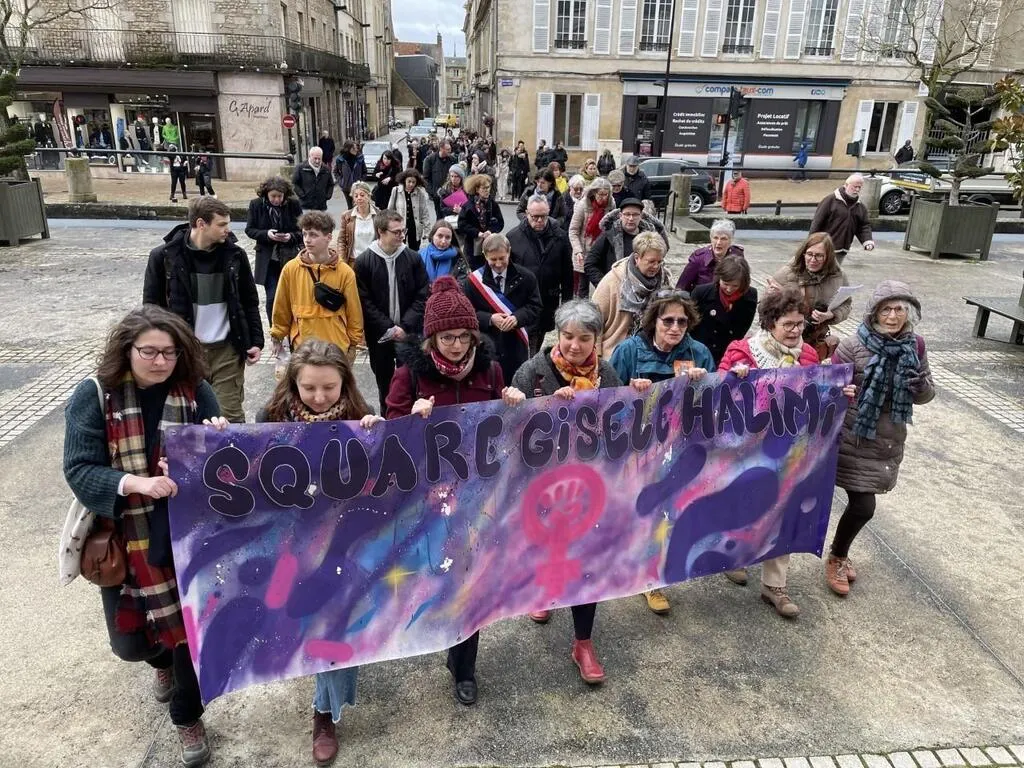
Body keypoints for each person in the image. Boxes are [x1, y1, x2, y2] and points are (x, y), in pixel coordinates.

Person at [63, 306, 220, 767]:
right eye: (148, 351)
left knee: (192, 634)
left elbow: (223, 460)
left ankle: (187, 714)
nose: (160, 360)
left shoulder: (197, 392)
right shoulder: (94, 395)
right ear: (126, 350)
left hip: (188, 531)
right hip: (126, 532)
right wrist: (137, 483)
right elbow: (79, 469)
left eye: (169, 352)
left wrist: (206, 452)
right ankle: (160, 662)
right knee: (130, 645)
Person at [385, 277, 525, 706]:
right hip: (428, 498)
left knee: (472, 581)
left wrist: (512, 399)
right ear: (431, 338)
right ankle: (442, 636)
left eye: (465, 336)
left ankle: (465, 666)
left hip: (477, 494)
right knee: (436, 580)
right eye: (448, 337)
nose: (457, 346)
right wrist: (409, 415)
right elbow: (389, 436)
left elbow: (505, 428)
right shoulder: (409, 374)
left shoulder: (490, 368)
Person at [253, 340, 381, 766]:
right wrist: (217, 436)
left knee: (334, 626)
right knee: (297, 623)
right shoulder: (268, 420)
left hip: (344, 544)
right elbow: (248, 482)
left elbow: (389, 480)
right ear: (293, 383)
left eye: (329, 388)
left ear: (346, 383)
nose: (320, 397)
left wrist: (383, 435)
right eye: (309, 388)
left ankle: (323, 713)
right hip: (288, 544)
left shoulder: (359, 421)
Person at [717, 287, 856, 616]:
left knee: (783, 511)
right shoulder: (744, 350)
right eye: (788, 324)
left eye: (799, 324)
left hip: (789, 452)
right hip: (745, 449)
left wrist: (840, 395)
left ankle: (774, 585)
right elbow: (717, 396)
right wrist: (731, 378)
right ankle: (734, 555)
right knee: (743, 505)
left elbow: (816, 402)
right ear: (769, 323)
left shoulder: (808, 356)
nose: (796, 330)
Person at [511, 299, 621, 683]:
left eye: (585, 338)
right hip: (543, 485)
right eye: (568, 336)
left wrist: (638, 396)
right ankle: (544, 593)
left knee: (586, 562)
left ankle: (583, 642)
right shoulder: (532, 372)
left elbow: (620, 426)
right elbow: (511, 429)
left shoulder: (607, 373)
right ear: (558, 335)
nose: (575, 345)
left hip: (590, 486)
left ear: (597, 340)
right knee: (546, 545)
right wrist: (531, 406)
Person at [827, 281, 933, 596]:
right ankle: (837, 557)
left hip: (887, 438)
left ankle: (838, 554)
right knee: (864, 506)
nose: (892, 315)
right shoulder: (851, 345)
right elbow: (827, 388)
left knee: (862, 505)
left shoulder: (916, 346)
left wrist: (919, 387)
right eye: (886, 308)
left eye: (899, 308)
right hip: (852, 434)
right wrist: (842, 392)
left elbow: (927, 393)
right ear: (874, 312)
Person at [143, 196, 263, 423]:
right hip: (184, 351)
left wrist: (255, 340)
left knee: (229, 416)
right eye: (221, 224)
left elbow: (249, 301)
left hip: (227, 349)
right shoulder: (163, 257)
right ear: (201, 224)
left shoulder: (235, 255)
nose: (228, 230)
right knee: (184, 415)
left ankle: (234, 458)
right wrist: (156, 349)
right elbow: (150, 309)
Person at [354, 210, 430, 413]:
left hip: (408, 332)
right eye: (395, 232)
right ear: (380, 231)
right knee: (385, 383)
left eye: (402, 231)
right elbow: (364, 301)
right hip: (380, 335)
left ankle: (411, 420)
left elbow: (423, 293)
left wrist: (404, 326)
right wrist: (388, 327)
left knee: (412, 380)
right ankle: (387, 420)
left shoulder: (412, 258)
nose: (401, 235)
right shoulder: (364, 262)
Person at [269, 210, 363, 361]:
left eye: (313, 235)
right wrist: (277, 336)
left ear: (328, 237)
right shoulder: (291, 269)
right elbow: (281, 306)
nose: (307, 239)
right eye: (305, 234)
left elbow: (354, 311)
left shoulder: (345, 272)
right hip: (303, 348)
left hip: (336, 347)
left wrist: (352, 344)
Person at [463, 232, 542, 382]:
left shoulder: (526, 277)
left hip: (516, 346)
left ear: (509, 252)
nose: (498, 264)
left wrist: (517, 318)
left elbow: (535, 306)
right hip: (486, 346)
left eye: (502, 258)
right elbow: (466, 314)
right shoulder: (472, 282)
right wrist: (490, 319)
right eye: (493, 259)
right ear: (485, 255)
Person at [766, 232, 852, 360]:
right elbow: (764, 308)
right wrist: (776, 298)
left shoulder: (838, 276)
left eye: (819, 256)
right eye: (809, 254)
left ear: (828, 257)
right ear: (803, 253)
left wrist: (831, 315)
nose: (812, 260)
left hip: (816, 338)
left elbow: (847, 305)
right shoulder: (787, 273)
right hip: (786, 339)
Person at [508, 195, 574, 354]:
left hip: (548, 298)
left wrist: (567, 302)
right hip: (523, 300)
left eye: (543, 216)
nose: (539, 221)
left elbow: (567, 272)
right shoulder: (513, 237)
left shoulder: (560, 236)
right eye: (535, 217)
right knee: (526, 339)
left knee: (540, 334)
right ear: (526, 213)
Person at [592, 231, 672, 357]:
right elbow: (594, 320)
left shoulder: (664, 279)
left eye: (659, 261)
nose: (656, 266)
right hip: (616, 352)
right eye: (651, 261)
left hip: (653, 352)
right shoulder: (613, 281)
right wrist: (597, 355)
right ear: (637, 258)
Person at [246, 175, 304, 323]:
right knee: (272, 297)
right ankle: (275, 330)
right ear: (266, 193)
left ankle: (291, 326)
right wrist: (266, 234)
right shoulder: (256, 205)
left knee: (291, 296)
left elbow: (302, 230)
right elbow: (250, 230)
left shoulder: (293, 205)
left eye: (280, 196)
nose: (277, 199)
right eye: (273, 196)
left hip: (289, 257)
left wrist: (290, 237)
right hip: (268, 259)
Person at [584, 198, 668, 288]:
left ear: (641, 216)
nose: (631, 218)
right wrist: (605, 285)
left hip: (645, 290)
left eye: (635, 215)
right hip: (617, 289)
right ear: (620, 215)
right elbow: (590, 263)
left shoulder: (651, 237)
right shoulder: (609, 235)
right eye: (627, 214)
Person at [689, 254, 757, 364]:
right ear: (719, 278)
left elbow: (741, 330)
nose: (729, 289)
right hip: (700, 352)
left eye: (735, 286)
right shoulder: (701, 293)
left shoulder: (750, 296)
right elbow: (690, 325)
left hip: (727, 353)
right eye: (725, 284)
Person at [809, 173, 875, 263]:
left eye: (859, 187)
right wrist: (811, 243)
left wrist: (867, 240)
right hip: (825, 247)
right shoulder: (830, 201)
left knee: (834, 273)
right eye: (854, 187)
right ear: (846, 185)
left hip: (843, 248)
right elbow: (817, 222)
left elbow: (863, 226)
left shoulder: (860, 207)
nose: (857, 189)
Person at [569, 177, 613, 299]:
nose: (603, 197)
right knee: (583, 286)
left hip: (602, 250)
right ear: (594, 193)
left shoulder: (611, 204)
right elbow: (573, 230)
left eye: (606, 194)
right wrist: (578, 250)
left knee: (602, 284)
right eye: (600, 194)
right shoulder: (582, 205)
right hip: (584, 250)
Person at [676, 219, 745, 293]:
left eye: (723, 239)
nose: (718, 242)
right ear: (711, 238)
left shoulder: (737, 255)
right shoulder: (698, 259)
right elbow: (681, 288)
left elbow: (743, 283)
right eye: (715, 238)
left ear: (731, 240)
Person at [457, 173, 504, 271]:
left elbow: (500, 222)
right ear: (477, 189)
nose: (487, 190)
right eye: (484, 188)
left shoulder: (492, 204)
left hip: (490, 245)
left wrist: (490, 231)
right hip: (472, 247)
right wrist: (477, 233)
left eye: (488, 187)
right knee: (475, 272)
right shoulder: (468, 205)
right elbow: (462, 224)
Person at [388, 168, 435, 251]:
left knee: (414, 251)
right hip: (400, 227)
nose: (411, 184)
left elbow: (425, 213)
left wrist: (428, 232)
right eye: (409, 181)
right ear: (404, 180)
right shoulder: (396, 191)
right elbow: (390, 211)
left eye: (414, 182)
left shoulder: (420, 193)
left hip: (415, 228)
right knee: (399, 249)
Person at [335, 181, 378, 267]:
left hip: (373, 261)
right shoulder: (347, 216)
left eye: (362, 195)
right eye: (356, 196)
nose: (359, 198)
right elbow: (341, 240)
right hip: (353, 261)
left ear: (369, 196)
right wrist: (342, 261)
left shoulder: (379, 215)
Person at [292, 147, 334, 211]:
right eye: (315, 158)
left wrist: (327, 196)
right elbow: (294, 183)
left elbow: (331, 184)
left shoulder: (326, 169)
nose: (317, 161)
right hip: (306, 206)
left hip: (321, 206)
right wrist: (302, 195)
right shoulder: (300, 168)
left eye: (319, 159)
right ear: (310, 156)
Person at [424, 139, 458, 215]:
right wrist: (434, 192)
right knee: (440, 217)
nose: (450, 151)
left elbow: (457, 175)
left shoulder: (452, 160)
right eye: (448, 149)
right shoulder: (430, 159)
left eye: (450, 149)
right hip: (437, 196)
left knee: (451, 217)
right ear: (441, 149)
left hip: (450, 194)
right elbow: (426, 179)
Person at [334, 141, 367, 209]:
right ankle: (352, 219)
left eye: (356, 148)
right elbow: (335, 172)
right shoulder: (340, 159)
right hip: (346, 187)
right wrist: (341, 181)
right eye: (353, 148)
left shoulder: (360, 158)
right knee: (350, 208)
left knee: (358, 207)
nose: (356, 150)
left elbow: (364, 171)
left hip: (358, 187)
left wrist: (361, 181)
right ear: (348, 149)